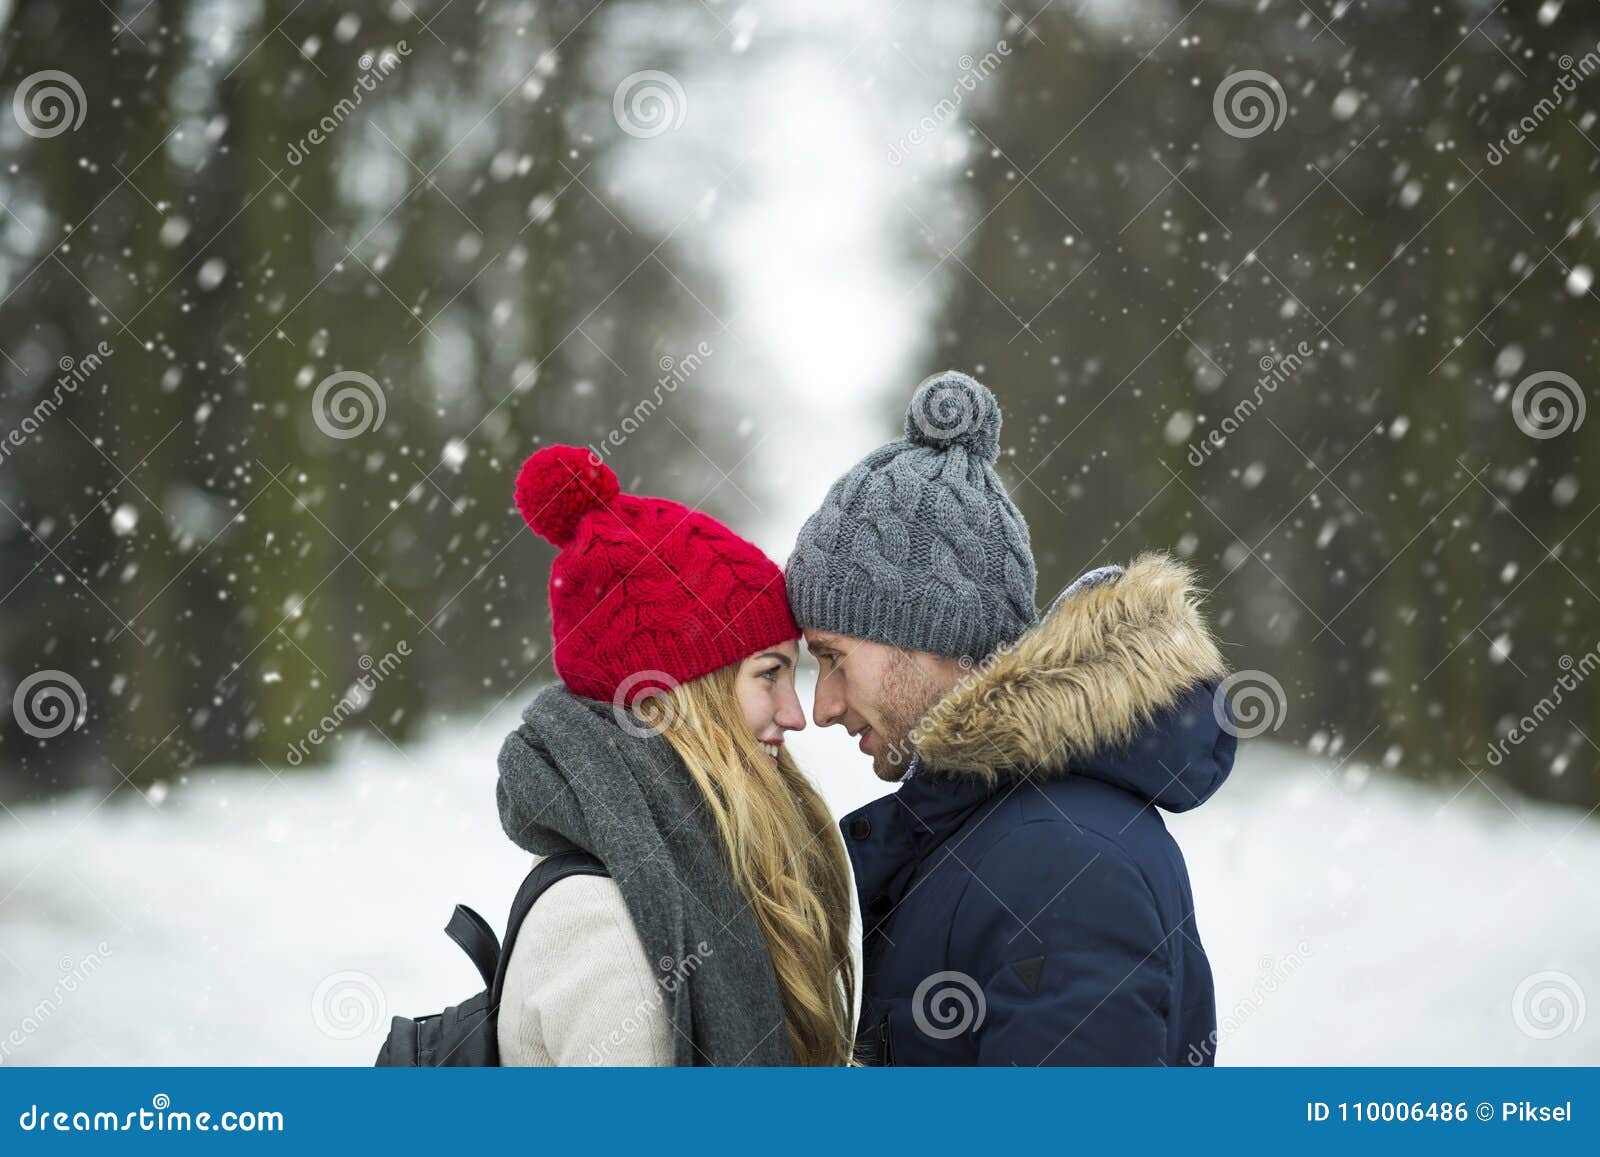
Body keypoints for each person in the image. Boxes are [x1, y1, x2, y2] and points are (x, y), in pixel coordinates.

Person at [785, 371, 1236, 1066]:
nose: (823, 706)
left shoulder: (1064, 866)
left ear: (924, 628)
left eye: (833, 656)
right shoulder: (1001, 830)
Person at [495, 445, 855, 1066]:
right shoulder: (606, 925)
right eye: (769, 675)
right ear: (677, 698)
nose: (796, 714)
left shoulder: (691, 870)